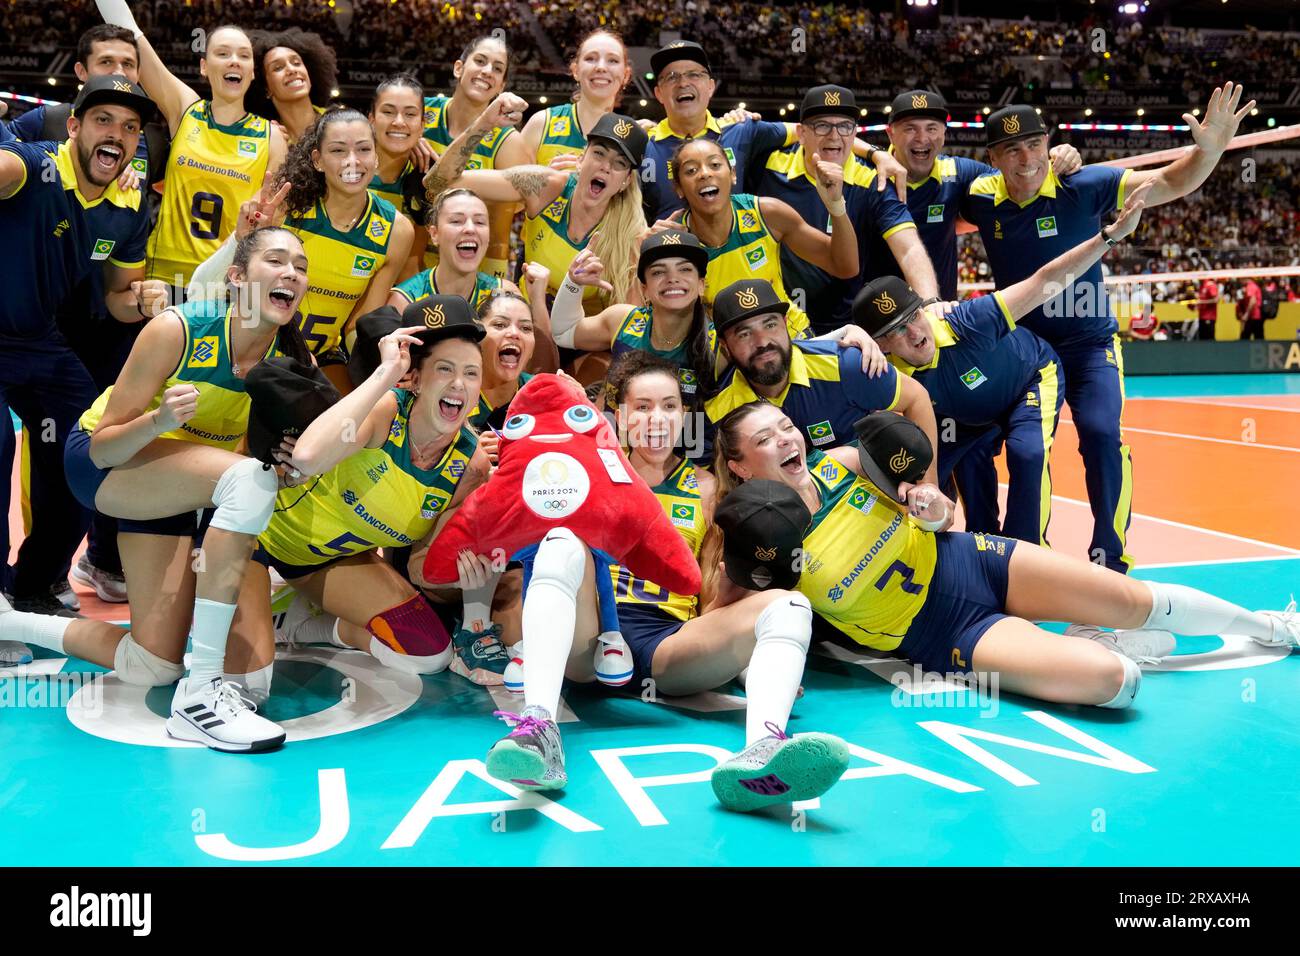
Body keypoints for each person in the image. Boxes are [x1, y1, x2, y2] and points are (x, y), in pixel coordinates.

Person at [712, 402, 1300, 713]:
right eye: (765, 439)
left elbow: (942, 512)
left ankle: (1275, 624)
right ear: (738, 465)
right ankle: (1098, 642)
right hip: (944, 631)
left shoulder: (843, 465)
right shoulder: (755, 538)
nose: (788, 440)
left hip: (976, 560)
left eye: (787, 426)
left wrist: (933, 508)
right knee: (1114, 684)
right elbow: (725, 621)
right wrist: (751, 672)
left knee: (1130, 597)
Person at [485, 353, 850, 810]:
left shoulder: (706, 489)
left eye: (669, 406)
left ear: (685, 414)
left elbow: (709, 603)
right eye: (642, 407)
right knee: (560, 542)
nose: (656, 419)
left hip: (667, 645)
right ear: (618, 414)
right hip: (590, 635)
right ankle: (538, 732)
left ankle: (762, 755)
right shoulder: (584, 473)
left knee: (789, 605)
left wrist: (742, 657)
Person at [1, 226, 313, 753]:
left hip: (182, 488)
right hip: (107, 467)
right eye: (277, 261)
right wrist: (158, 420)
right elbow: (101, 448)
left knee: (154, 665)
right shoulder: (178, 330)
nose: (292, 273)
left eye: (301, 267)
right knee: (246, 479)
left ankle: (11, 621)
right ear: (236, 279)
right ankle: (201, 695)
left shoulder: (288, 360)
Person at [960, 84, 1255, 572]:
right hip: (1023, 354)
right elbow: (929, 201)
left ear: (1048, 143)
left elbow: (1172, 182)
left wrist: (1211, 149)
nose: (1026, 158)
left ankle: (1109, 557)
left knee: (1101, 434)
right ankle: (1017, 559)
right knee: (1008, 445)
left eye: (1034, 144)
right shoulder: (981, 199)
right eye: (1011, 149)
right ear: (993, 158)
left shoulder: (1087, 185)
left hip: (1089, 346)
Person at [857, 180, 1155, 546]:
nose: (913, 333)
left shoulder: (969, 320)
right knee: (930, 478)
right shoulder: (886, 376)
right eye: (895, 331)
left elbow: (1045, 280)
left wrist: (1108, 238)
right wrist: (846, 335)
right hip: (965, 420)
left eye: (912, 318)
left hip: (1028, 380)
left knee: (1027, 453)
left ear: (923, 308)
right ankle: (978, 558)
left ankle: (1029, 554)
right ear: (881, 345)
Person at [255, 296, 492, 685]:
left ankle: (298, 621)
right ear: (413, 377)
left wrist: (470, 580)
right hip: (263, 534)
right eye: (444, 369)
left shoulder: (470, 467)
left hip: (323, 562)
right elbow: (309, 456)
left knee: (429, 653)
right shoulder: (385, 411)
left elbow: (421, 568)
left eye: (471, 373)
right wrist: (384, 373)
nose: (458, 384)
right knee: (246, 681)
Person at [0, 76, 160, 627]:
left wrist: (143, 303)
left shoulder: (131, 204)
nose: (118, 134)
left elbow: (118, 297)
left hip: (40, 341)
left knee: (89, 443)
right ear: (73, 127)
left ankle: (37, 579)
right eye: (103, 120)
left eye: (131, 127)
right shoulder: (30, 168)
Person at [95, 0, 288, 298]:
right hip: (161, 276)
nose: (233, 61)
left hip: (225, 282)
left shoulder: (272, 138)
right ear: (204, 66)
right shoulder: (186, 109)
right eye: (222, 54)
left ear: (252, 72)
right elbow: (131, 33)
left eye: (243, 56)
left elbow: (264, 223)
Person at [424, 99, 648, 327]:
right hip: (523, 321)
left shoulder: (631, 233)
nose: (606, 167)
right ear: (581, 159)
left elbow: (627, 326)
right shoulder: (544, 186)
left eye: (619, 163)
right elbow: (437, 183)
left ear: (625, 181)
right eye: (599, 153)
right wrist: (485, 122)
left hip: (584, 334)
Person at [754, 85, 941, 335]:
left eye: (844, 126)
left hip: (845, 328)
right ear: (801, 133)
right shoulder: (768, 164)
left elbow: (909, 248)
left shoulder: (874, 181)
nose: (834, 136)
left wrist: (929, 303)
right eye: (822, 125)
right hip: (772, 321)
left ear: (854, 134)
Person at [705, 278, 936, 477]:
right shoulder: (717, 412)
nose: (763, 341)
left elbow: (917, 398)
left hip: (870, 498)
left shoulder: (844, 364)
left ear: (786, 325)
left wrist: (928, 484)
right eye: (744, 334)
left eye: (770, 324)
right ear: (725, 346)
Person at [880, 89, 1080, 302]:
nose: (922, 138)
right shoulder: (869, 175)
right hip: (875, 318)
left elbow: (1019, 177)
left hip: (938, 315)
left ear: (944, 133)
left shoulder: (959, 173)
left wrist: (1062, 156)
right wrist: (872, 152)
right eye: (910, 128)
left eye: (931, 128)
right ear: (890, 133)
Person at [273, 108, 414, 392]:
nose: (352, 161)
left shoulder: (396, 231)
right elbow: (242, 295)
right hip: (262, 344)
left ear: (376, 157)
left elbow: (358, 326)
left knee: (352, 419)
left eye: (363, 149)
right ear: (318, 160)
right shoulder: (283, 206)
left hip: (322, 357)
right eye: (338, 150)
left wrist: (385, 365)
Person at [670, 136, 857, 339]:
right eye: (691, 170)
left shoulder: (766, 213)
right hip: (726, 354)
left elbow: (845, 266)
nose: (705, 174)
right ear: (679, 188)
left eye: (715, 164)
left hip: (791, 338)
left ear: (733, 174)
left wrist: (836, 205)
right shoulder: (675, 244)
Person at [419, 35, 532, 280]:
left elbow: (507, 218)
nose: (487, 71)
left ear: (501, 86)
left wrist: (495, 280)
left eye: (497, 68)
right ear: (458, 68)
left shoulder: (508, 142)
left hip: (473, 270)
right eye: (480, 61)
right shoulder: (419, 114)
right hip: (411, 258)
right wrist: (405, 141)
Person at [521, 29, 631, 168]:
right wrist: (546, 181)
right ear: (575, 70)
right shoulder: (542, 124)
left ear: (626, 75)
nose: (601, 67)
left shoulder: (633, 137)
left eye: (613, 60)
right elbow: (510, 187)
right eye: (590, 58)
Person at [247, 27, 337, 146]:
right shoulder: (263, 139)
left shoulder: (341, 121)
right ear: (266, 88)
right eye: (278, 68)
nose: (291, 69)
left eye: (296, 63)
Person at [1237, 274, 1264, 340]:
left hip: (1253, 317)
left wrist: (1246, 314)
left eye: (1239, 279)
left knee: (1245, 339)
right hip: (1254, 317)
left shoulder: (1250, 286)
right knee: (1258, 337)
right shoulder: (1251, 286)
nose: (1239, 282)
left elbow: (1252, 301)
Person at [1194, 275, 1220, 341]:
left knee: (1210, 340)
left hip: (1209, 318)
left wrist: (1202, 302)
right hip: (1202, 317)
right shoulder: (1201, 286)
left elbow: (1216, 300)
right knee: (1202, 340)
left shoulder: (1210, 285)